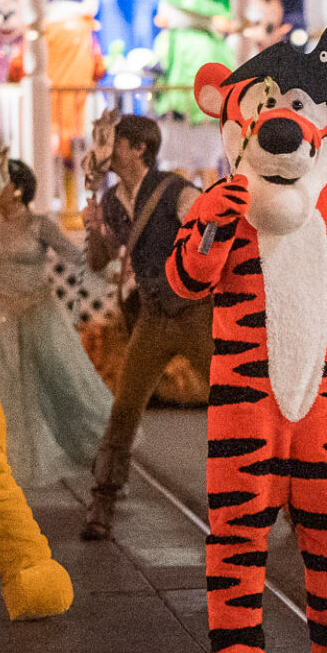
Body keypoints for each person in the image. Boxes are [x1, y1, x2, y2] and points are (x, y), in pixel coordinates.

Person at [80, 114, 208, 540]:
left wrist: (195, 265)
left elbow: (212, 231)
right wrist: (94, 225)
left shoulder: (177, 190)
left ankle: (276, 495)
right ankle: (103, 500)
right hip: (153, 315)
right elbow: (99, 261)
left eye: (113, 142)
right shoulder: (114, 201)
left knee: (235, 401)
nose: (105, 149)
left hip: (194, 311)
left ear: (138, 148)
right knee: (125, 408)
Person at [0, 157, 114, 489]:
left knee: (66, 390)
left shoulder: (40, 225)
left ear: (16, 189)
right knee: (4, 394)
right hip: (1, 320)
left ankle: (104, 455)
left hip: (41, 317)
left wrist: (105, 256)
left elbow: (76, 259)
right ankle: (8, 468)